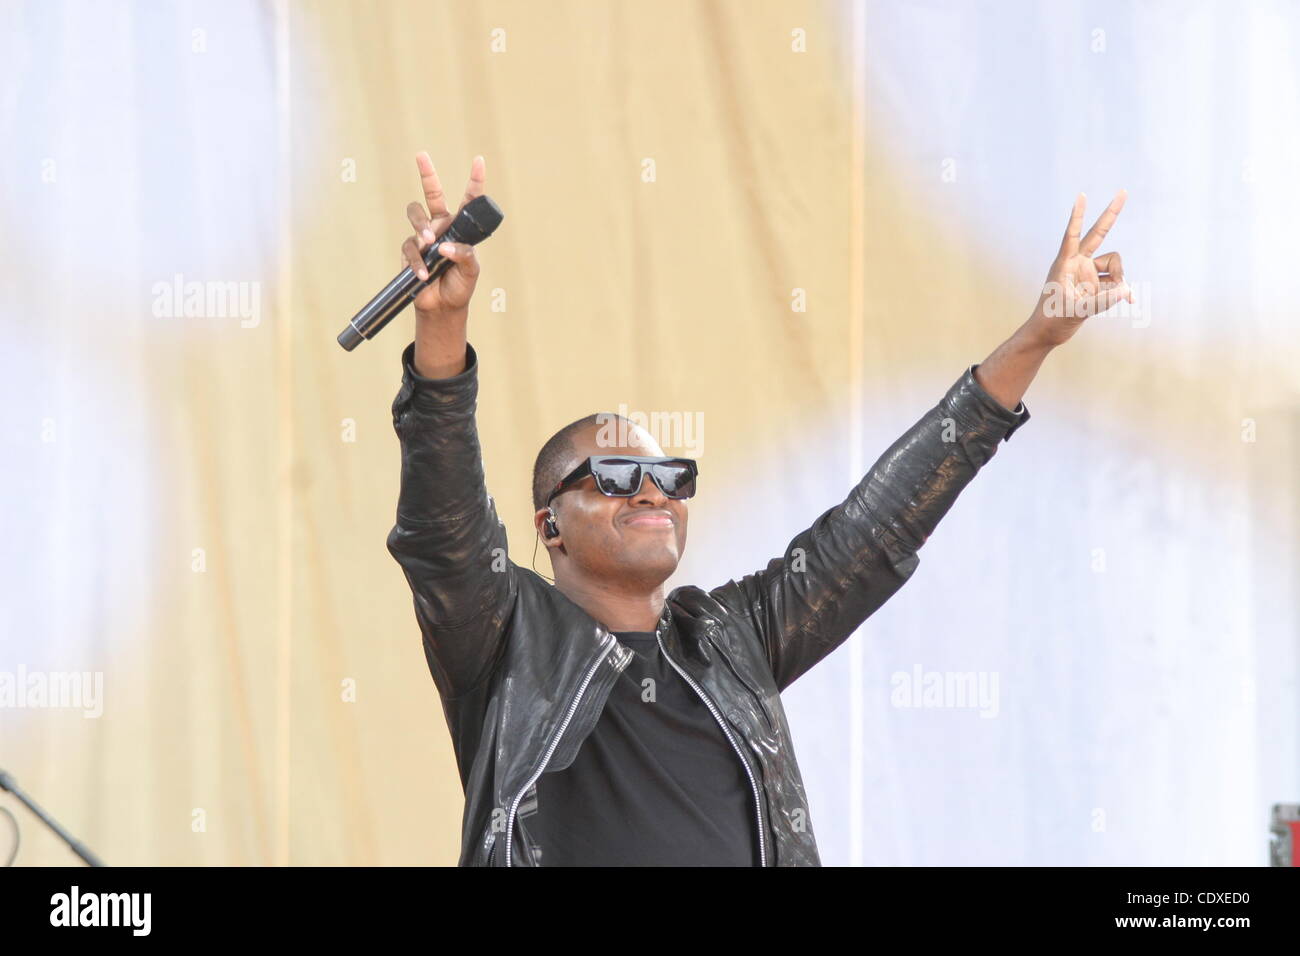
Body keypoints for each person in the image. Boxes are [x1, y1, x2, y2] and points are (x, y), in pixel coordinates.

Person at [388, 151, 1131, 866]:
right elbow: (444, 528)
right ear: (550, 523)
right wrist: (443, 330)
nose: (654, 491)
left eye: (672, 475)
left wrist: (1036, 339)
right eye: (616, 474)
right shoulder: (505, 638)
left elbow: (874, 530)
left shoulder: (729, 643)